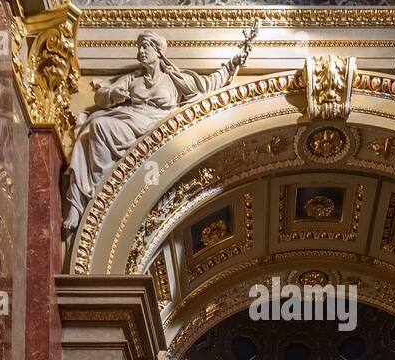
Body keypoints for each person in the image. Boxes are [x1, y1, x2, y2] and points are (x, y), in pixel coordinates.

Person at [62, 22, 259, 239]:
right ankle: (93, 195)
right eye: (140, 48)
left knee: (99, 127)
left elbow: (209, 84)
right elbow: (102, 96)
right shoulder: (133, 78)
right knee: (95, 127)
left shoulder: (174, 79)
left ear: (158, 51)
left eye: (146, 47)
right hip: (131, 120)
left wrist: (232, 64)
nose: (141, 52)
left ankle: (102, 197)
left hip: (158, 129)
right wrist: (112, 95)